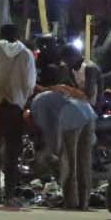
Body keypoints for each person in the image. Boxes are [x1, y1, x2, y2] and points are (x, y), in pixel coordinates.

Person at [0, 23, 37, 205]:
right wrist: (21, 97)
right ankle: (10, 193)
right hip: (14, 108)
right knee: (12, 151)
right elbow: (29, 83)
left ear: (0, 34)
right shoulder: (26, 54)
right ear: (17, 35)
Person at [28, 68, 96, 209]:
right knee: (84, 161)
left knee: (69, 162)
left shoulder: (37, 103)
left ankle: (71, 203)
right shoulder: (56, 93)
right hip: (88, 113)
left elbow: (49, 130)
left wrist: (53, 151)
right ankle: (83, 203)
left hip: (71, 115)